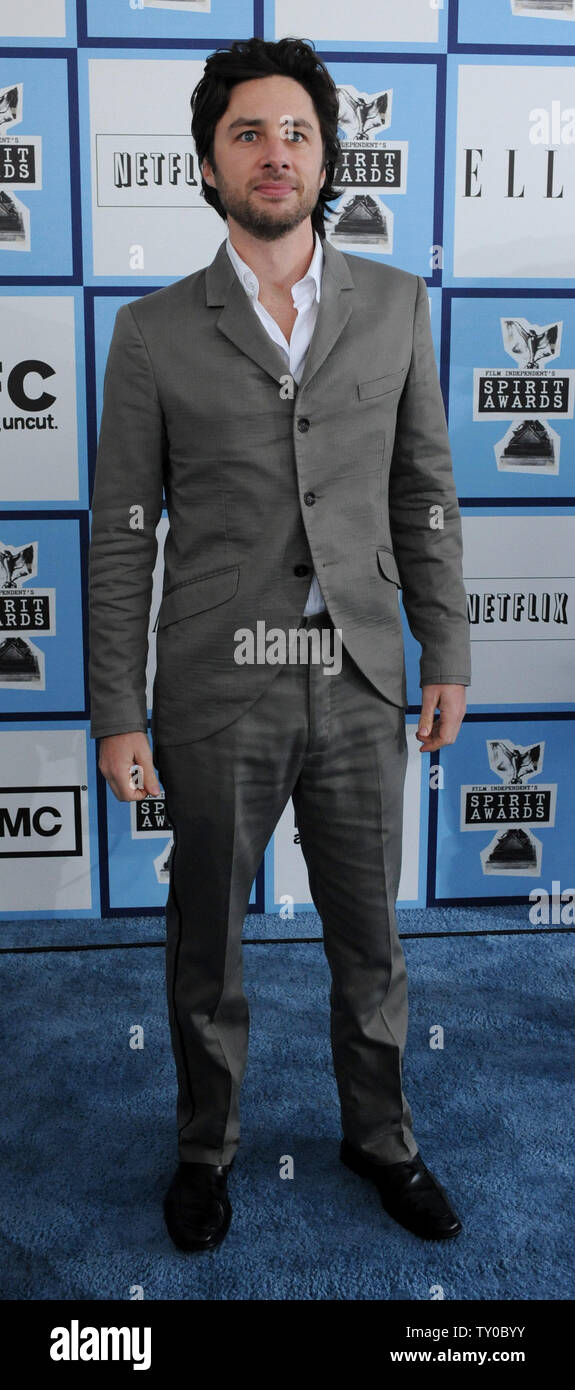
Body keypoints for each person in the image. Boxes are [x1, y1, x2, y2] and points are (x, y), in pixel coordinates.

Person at [89, 36, 471, 1253]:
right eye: (249, 132)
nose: (276, 152)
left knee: (371, 939)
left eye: (297, 132)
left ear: (327, 155)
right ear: (207, 159)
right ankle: (205, 1148)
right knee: (207, 946)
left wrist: (446, 650)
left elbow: (423, 494)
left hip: (359, 681)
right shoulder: (151, 333)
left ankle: (380, 1136)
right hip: (214, 688)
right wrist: (116, 711)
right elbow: (120, 537)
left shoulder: (401, 305)